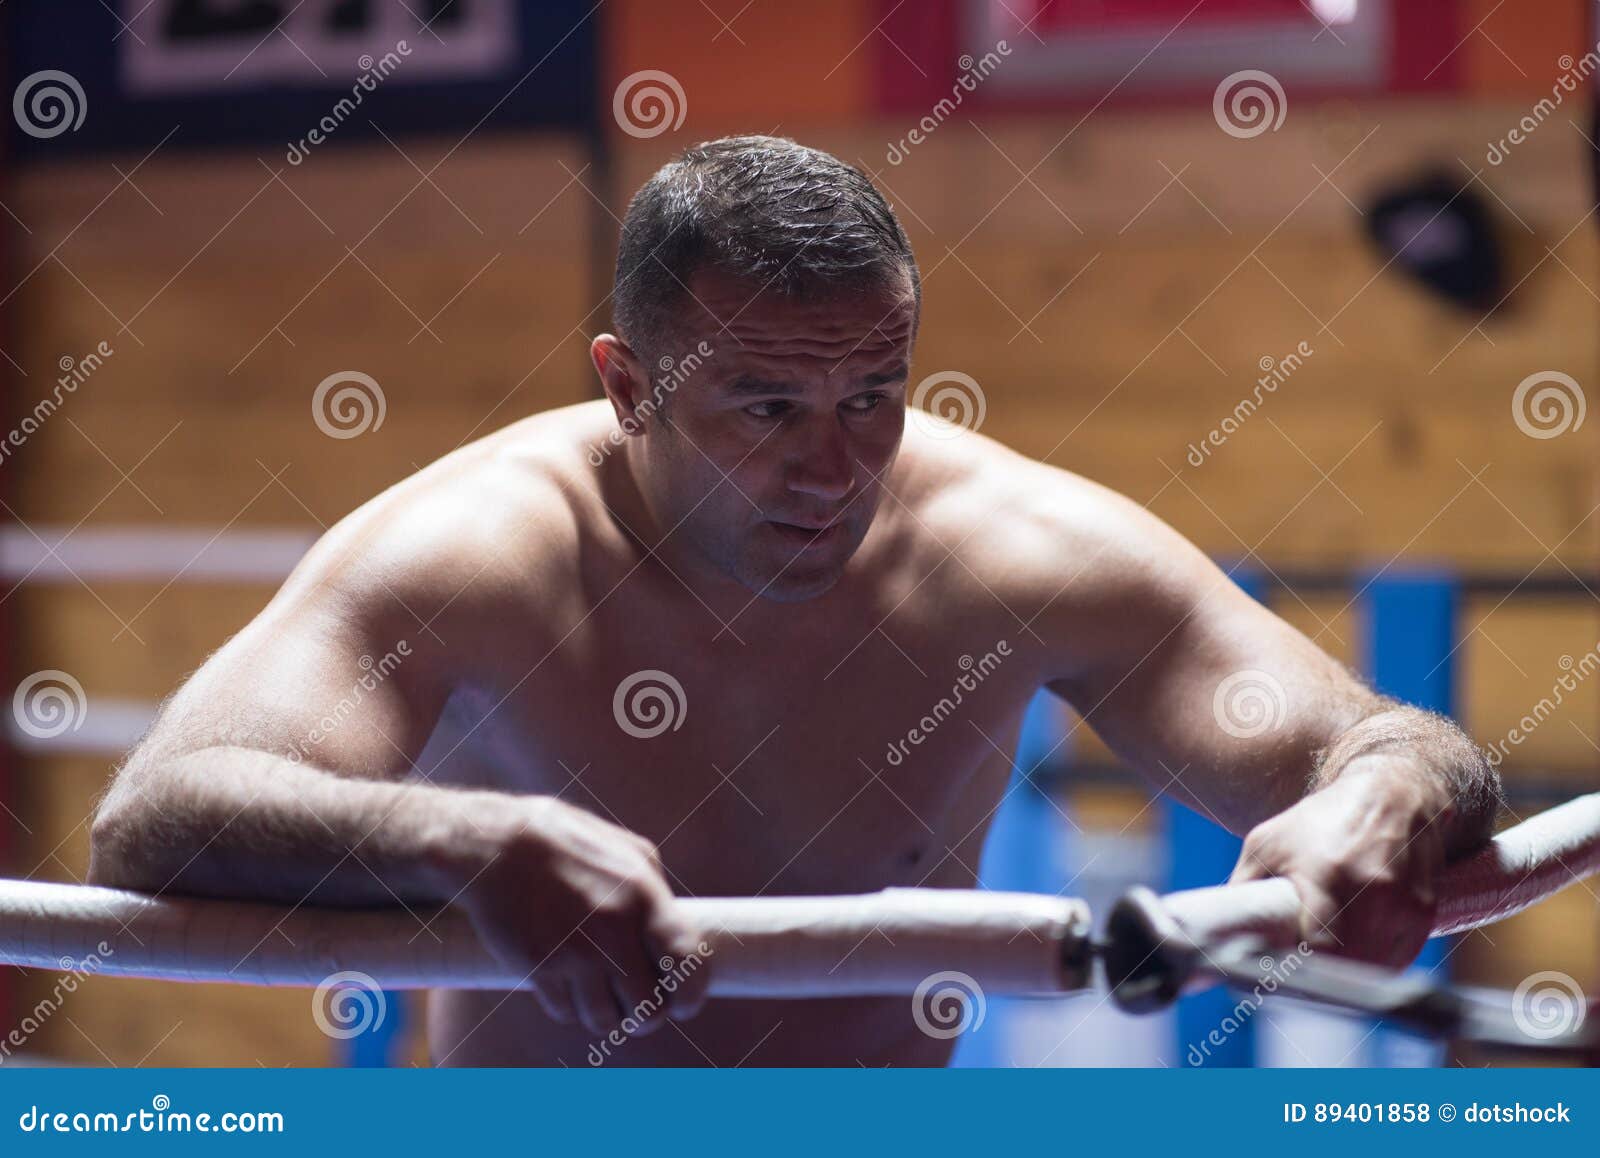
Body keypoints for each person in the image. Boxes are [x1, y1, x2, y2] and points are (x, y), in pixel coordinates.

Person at [88, 135, 1500, 1066]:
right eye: (764, 404)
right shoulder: (476, 552)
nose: (834, 464)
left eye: (873, 394)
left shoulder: (1009, 546)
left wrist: (1380, 794)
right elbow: (160, 812)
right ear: (629, 386)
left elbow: (1376, 739)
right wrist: (467, 839)